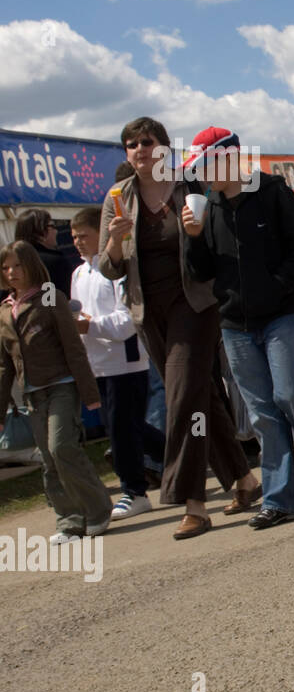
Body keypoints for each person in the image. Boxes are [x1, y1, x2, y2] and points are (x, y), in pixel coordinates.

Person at [99, 116, 261, 540]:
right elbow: (107, 266)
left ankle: (192, 502)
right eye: (130, 144)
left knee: (181, 395)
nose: (138, 149)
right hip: (149, 314)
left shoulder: (189, 185)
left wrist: (198, 230)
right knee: (200, 395)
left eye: (147, 141)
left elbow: (221, 236)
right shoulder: (117, 197)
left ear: (164, 147)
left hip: (195, 304)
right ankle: (243, 480)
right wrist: (115, 243)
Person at [182, 126, 294, 529]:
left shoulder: (272, 192)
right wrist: (193, 238)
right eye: (197, 168)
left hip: (281, 315)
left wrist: (277, 288)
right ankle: (280, 500)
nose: (202, 175)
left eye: (205, 164)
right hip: (235, 325)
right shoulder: (207, 207)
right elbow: (200, 271)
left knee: (292, 394)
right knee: (262, 413)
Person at [0, 241, 112, 543]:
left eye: (18, 265)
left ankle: (99, 511)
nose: (12, 272)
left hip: (62, 385)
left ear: (31, 265)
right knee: (49, 458)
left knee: (62, 446)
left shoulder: (50, 297)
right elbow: (4, 366)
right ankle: (70, 520)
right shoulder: (4, 311)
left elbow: (73, 348)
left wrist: (89, 393)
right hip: (31, 394)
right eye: (6, 267)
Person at [69, 206, 165, 520]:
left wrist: (90, 326)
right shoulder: (78, 273)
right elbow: (80, 315)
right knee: (129, 427)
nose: (78, 242)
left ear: (102, 233)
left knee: (122, 431)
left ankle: (134, 491)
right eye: (73, 237)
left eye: (84, 235)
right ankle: (182, 457)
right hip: (97, 364)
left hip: (126, 362)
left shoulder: (117, 268)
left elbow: (127, 321)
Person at [15, 208, 75, 297]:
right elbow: (64, 298)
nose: (56, 231)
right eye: (52, 226)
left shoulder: (10, 260)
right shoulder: (56, 262)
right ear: (40, 230)